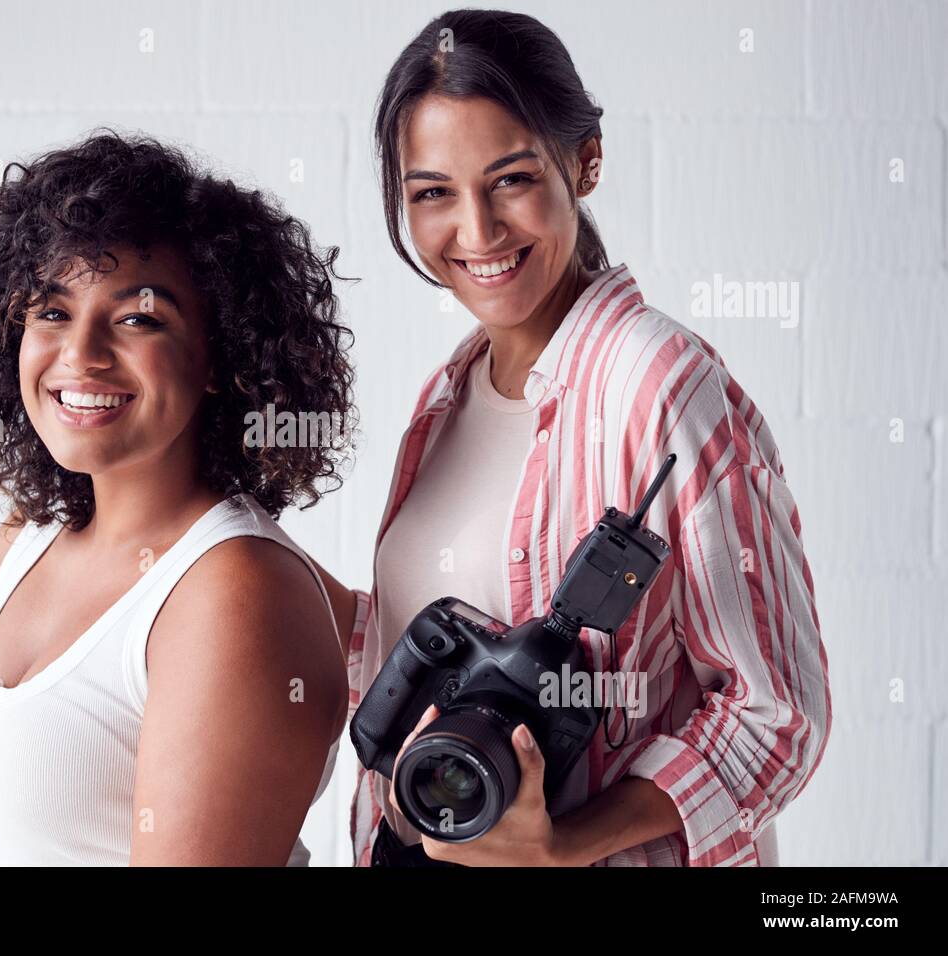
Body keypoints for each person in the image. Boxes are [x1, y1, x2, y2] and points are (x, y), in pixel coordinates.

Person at [320, 9, 832, 867]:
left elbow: (776, 713)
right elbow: (426, 624)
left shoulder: (663, 385)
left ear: (585, 162)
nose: (476, 233)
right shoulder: (446, 396)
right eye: (434, 192)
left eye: (511, 179)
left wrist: (561, 846)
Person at [0, 130, 358, 866]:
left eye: (138, 318)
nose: (80, 353)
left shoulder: (234, 590)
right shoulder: (27, 538)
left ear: (219, 357)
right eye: (51, 311)